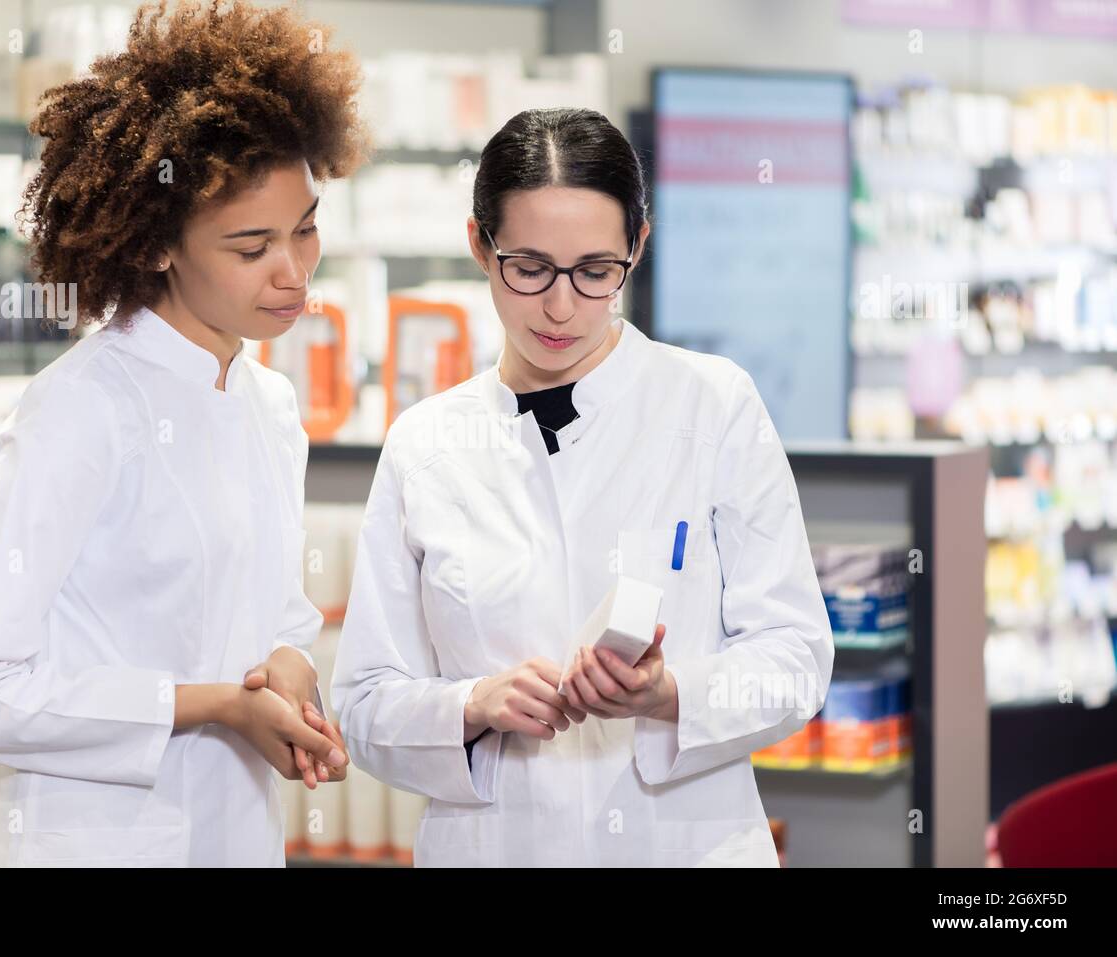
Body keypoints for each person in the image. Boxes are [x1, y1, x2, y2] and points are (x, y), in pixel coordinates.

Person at [0, 0, 367, 867]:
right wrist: (209, 704)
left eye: (306, 228)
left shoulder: (268, 409)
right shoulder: (78, 414)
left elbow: (278, 615)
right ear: (160, 244)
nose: (295, 271)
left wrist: (287, 668)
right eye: (252, 247)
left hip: (234, 835)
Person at [330, 107, 834, 867]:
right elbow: (364, 701)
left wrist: (670, 695)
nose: (561, 307)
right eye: (529, 268)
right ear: (479, 244)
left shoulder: (713, 405)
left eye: (596, 272)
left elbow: (797, 658)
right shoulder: (424, 443)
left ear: (638, 246)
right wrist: (470, 704)